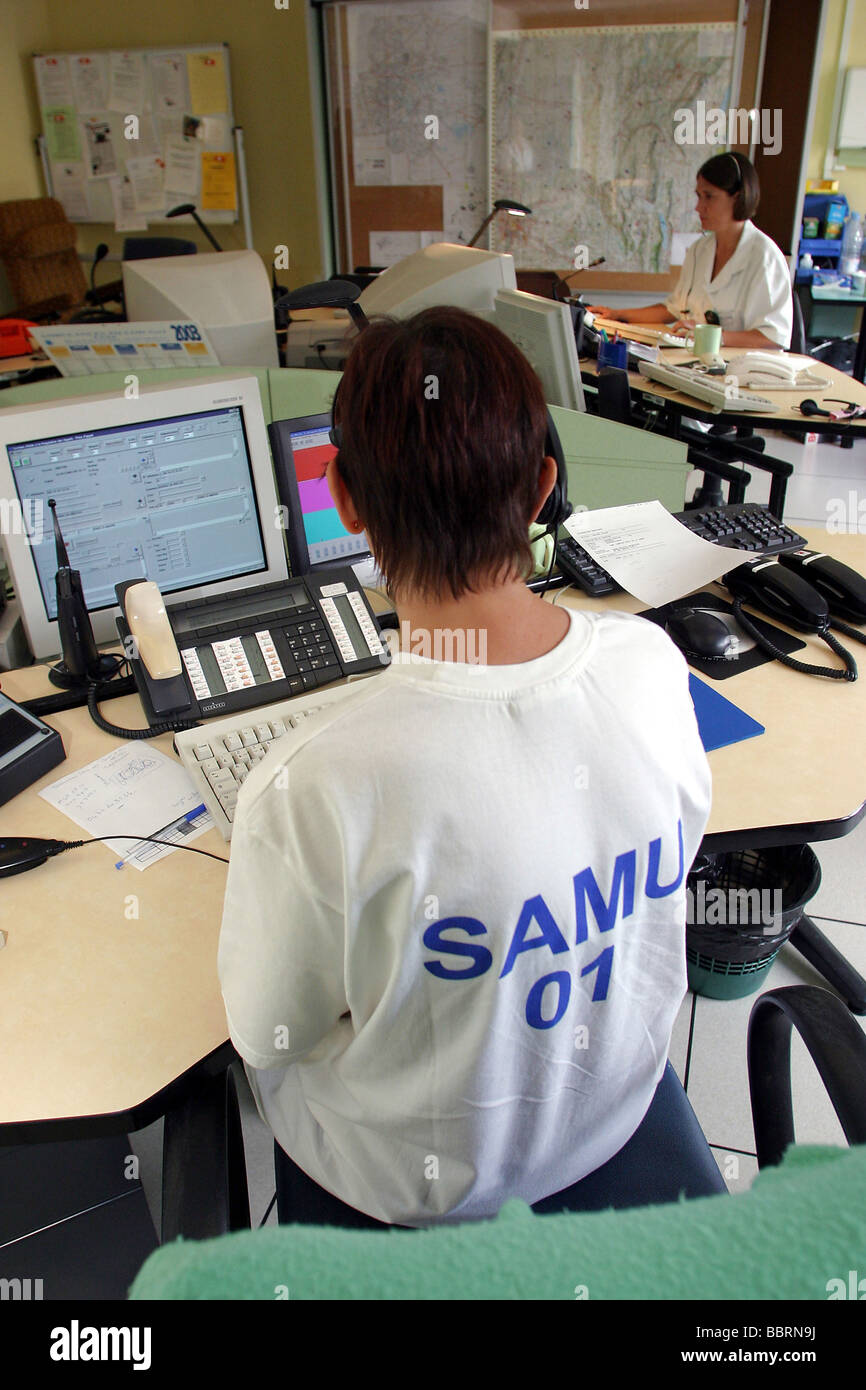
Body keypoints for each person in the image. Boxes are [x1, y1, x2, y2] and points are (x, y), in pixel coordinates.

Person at [218, 306, 712, 1227]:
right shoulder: (651, 665)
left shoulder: (311, 785)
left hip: (409, 1189)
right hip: (614, 1117)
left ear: (346, 501)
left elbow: (266, 1032)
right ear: (542, 489)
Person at [589, 151, 793, 350]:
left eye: (709, 197)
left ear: (737, 198)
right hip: (693, 364)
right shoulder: (699, 250)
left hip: (741, 373)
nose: (699, 207)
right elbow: (674, 309)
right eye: (698, 196)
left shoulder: (765, 256)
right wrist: (618, 314)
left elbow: (773, 337)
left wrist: (713, 336)